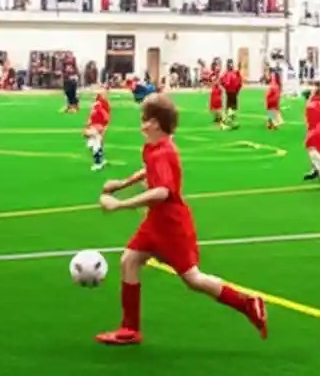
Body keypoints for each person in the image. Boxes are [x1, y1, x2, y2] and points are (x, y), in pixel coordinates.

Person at [96, 94, 269, 346]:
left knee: (193, 279)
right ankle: (129, 329)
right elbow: (149, 171)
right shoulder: (156, 147)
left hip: (171, 224)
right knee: (129, 260)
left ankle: (247, 303)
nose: (141, 123)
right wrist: (123, 184)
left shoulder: (163, 151)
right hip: (158, 219)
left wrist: (120, 204)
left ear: (155, 123)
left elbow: (162, 192)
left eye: (144, 119)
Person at [302, 82, 320, 185]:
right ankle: (316, 170)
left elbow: (310, 119)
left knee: (311, 148)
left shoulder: (312, 103)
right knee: (316, 149)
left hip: (317, 129)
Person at [83, 90, 111, 171]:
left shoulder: (100, 104)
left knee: (95, 144)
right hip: (96, 125)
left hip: (97, 126)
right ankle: (100, 161)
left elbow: (104, 115)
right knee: (92, 144)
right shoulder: (99, 104)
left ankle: (98, 163)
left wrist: (103, 125)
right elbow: (95, 115)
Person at [220, 62, 242, 129]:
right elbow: (239, 82)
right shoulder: (233, 73)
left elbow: (222, 81)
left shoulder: (227, 73)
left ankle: (229, 119)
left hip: (229, 91)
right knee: (232, 106)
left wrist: (225, 87)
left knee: (229, 105)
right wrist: (237, 90)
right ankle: (230, 120)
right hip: (233, 91)